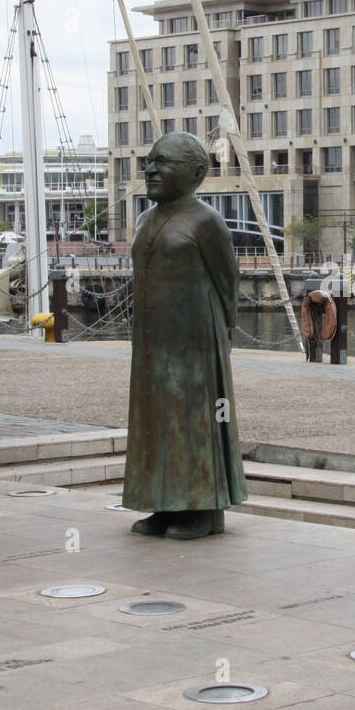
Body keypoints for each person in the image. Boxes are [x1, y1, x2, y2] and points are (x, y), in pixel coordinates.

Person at [122, 132, 246, 540]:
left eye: (163, 162)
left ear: (195, 173)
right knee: (155, 417)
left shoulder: (206, 220)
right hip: (152, 341)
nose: (151, 169)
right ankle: (163, 500)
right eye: (149, 161)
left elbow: (227, 281)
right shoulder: (145, 220)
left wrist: (220, 339)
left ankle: (202, 508)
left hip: (194, 341)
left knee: (193, 419)